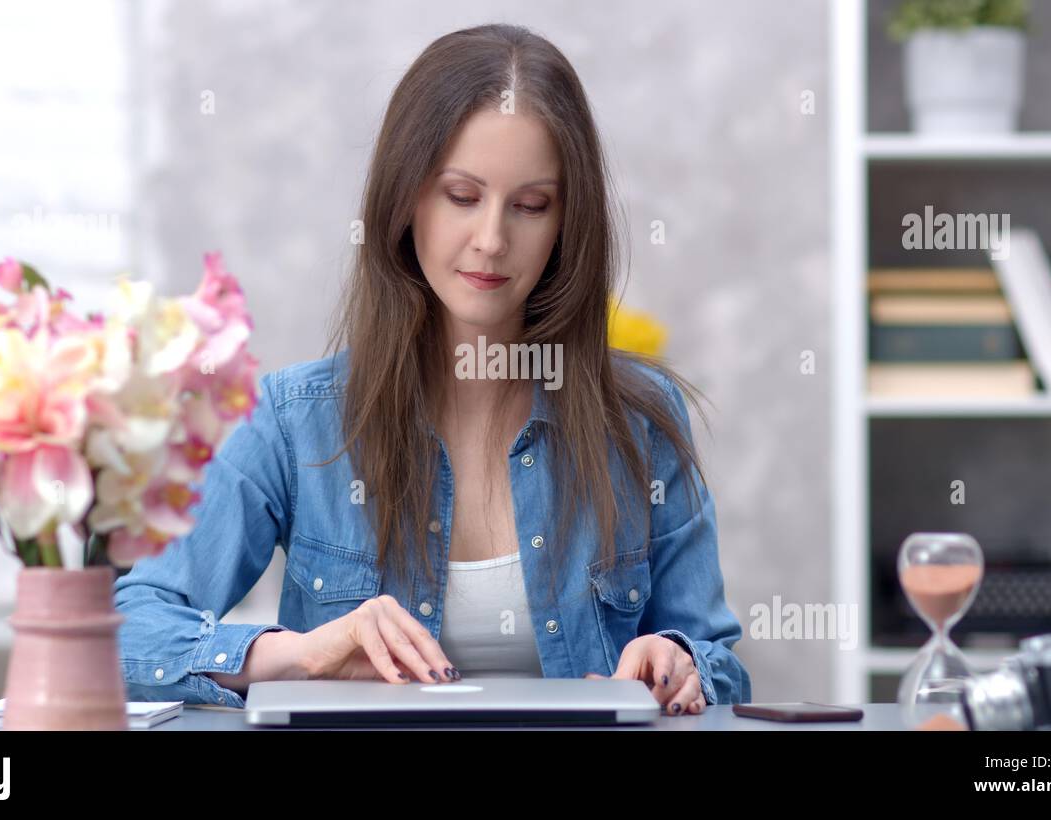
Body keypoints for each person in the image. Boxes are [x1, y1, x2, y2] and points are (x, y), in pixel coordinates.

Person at [114, 22, 750, 716]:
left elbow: (719, 662)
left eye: (531, 206)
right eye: (461, 195)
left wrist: (684, 668)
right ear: (406, 198)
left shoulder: (640, 421)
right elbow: (129, 635)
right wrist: (299, 655)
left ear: (568, 224)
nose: (491, 239)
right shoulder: (298, 420)